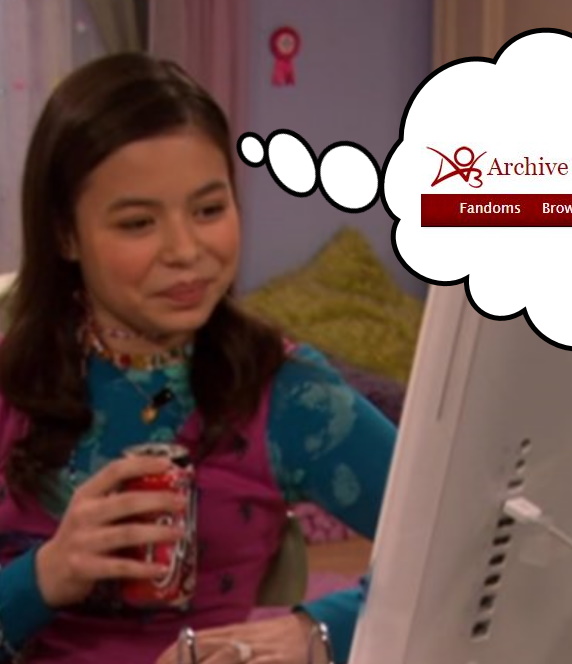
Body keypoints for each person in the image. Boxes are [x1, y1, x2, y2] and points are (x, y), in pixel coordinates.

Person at [0, 53, 398, 663]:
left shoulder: (284, 392)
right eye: (138, 223)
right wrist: (46, 574)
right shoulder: (13, 384)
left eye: (209, 210)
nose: (186, 250)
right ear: (65, 234)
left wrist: (316, 632)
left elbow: (464, 551)